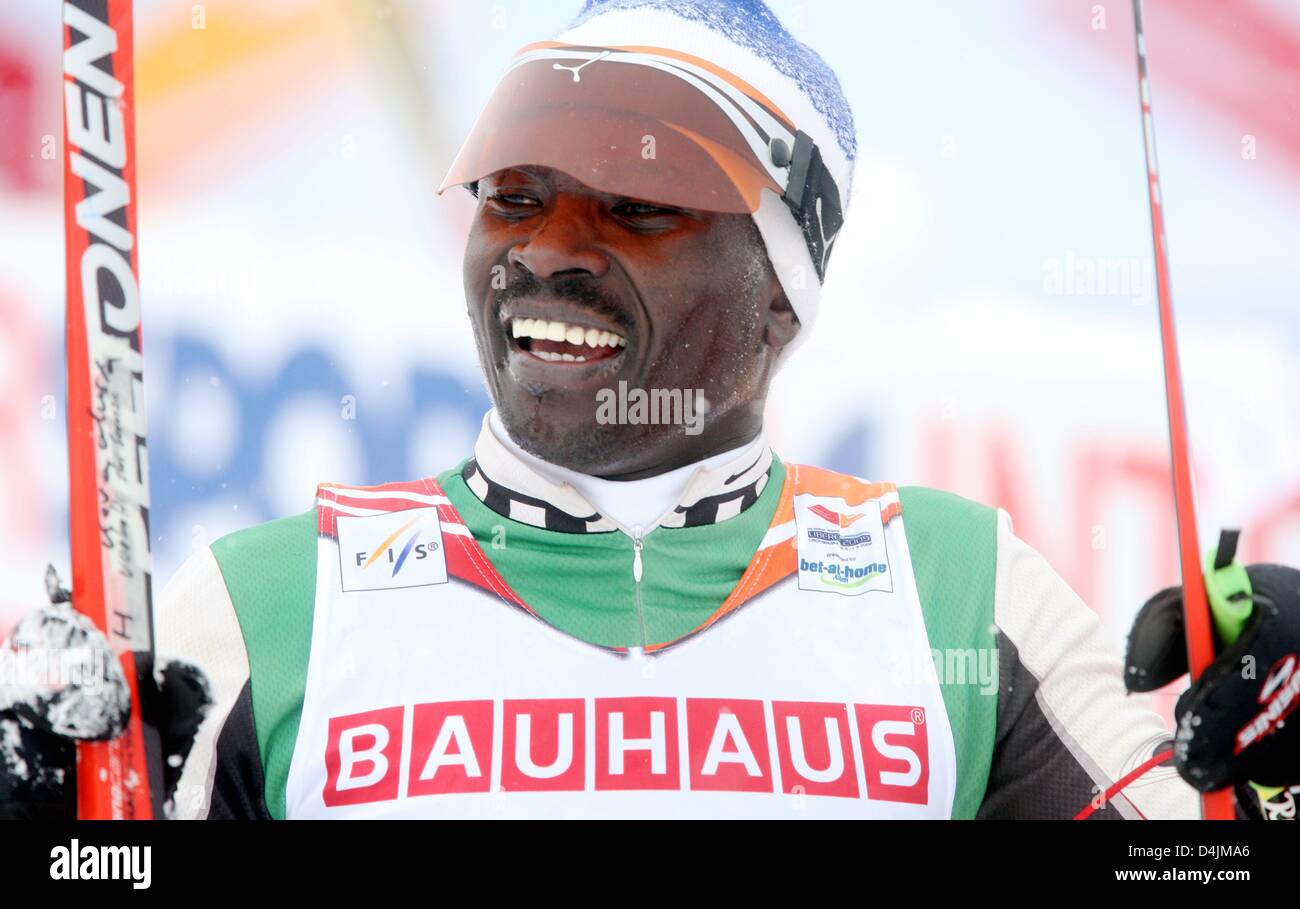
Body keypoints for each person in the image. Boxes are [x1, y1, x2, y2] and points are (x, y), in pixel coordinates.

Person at [2, 0, 1295, 820]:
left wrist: (1277, 753)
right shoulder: (277, 602)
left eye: (634, 206)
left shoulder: (956, 591)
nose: (547, 248)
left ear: (782, 292)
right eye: (515, 194)